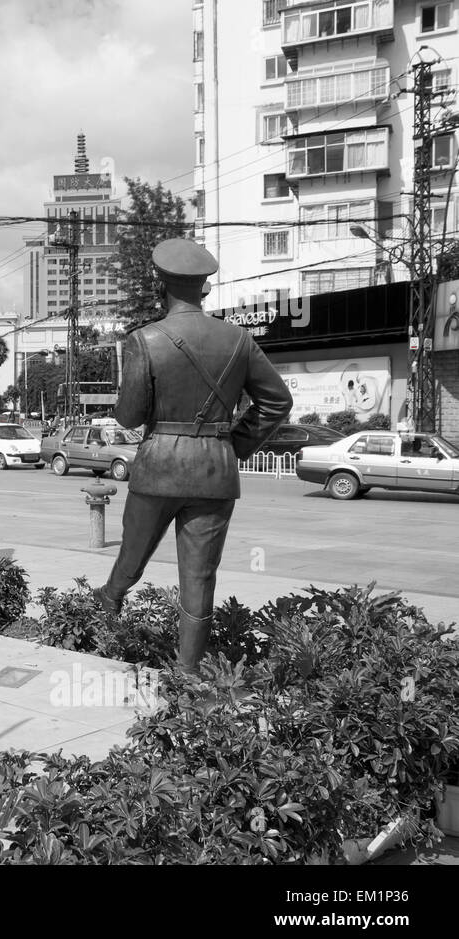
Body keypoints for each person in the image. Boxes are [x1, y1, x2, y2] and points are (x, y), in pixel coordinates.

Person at [94, 239, 292, 672]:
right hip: (213, 473)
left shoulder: (144, 340)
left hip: (158, 468)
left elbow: (129, 418)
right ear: (204, 287)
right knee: (200, 576)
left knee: (132, 555)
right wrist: (231, 446)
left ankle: (106, 609)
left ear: (159, 283)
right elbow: (277, 402)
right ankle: (187, 675)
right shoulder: (238, 339)